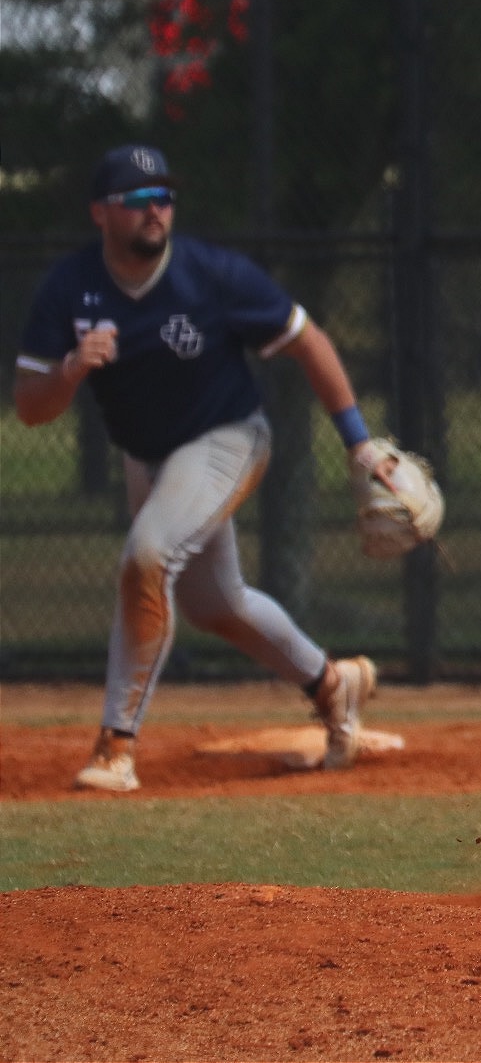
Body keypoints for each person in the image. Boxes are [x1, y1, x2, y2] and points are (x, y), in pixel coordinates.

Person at [14, 144, 386, 792]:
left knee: (148, 556)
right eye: (136, 198)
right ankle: (334, 684)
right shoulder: (70, 287)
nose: (155, 208)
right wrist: (71, 370)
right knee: (219, 604)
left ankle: (115, 745)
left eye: (163, 196)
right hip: (148, 458)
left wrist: (358, 442)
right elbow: (29, 406)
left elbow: (308, 339)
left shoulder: (212, 275)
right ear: (100, 212)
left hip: (227, 437)